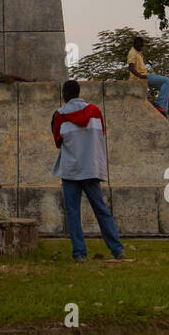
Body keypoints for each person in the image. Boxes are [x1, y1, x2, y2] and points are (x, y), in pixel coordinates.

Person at [51, 79, 125, 262]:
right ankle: (117, 250)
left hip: (70, 170)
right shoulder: (95, 111)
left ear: (65, 95)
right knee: (101, 209)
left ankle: (79, 254)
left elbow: (57, 141)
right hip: (91, 168)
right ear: (78, 92)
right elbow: (101, 135)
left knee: (73, 213)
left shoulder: (59, 115)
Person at [127, 35, 169, 117]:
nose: (141, 47)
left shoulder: (138, 52)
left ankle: (163, 110)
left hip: (144, 76)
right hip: (141, 77)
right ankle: (159, 105)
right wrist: (140, 76)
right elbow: (130, 67)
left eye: (142, 46)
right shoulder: (132, 53)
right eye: (140, 46)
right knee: (166, 81)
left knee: (166, 87)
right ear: (135, 44)